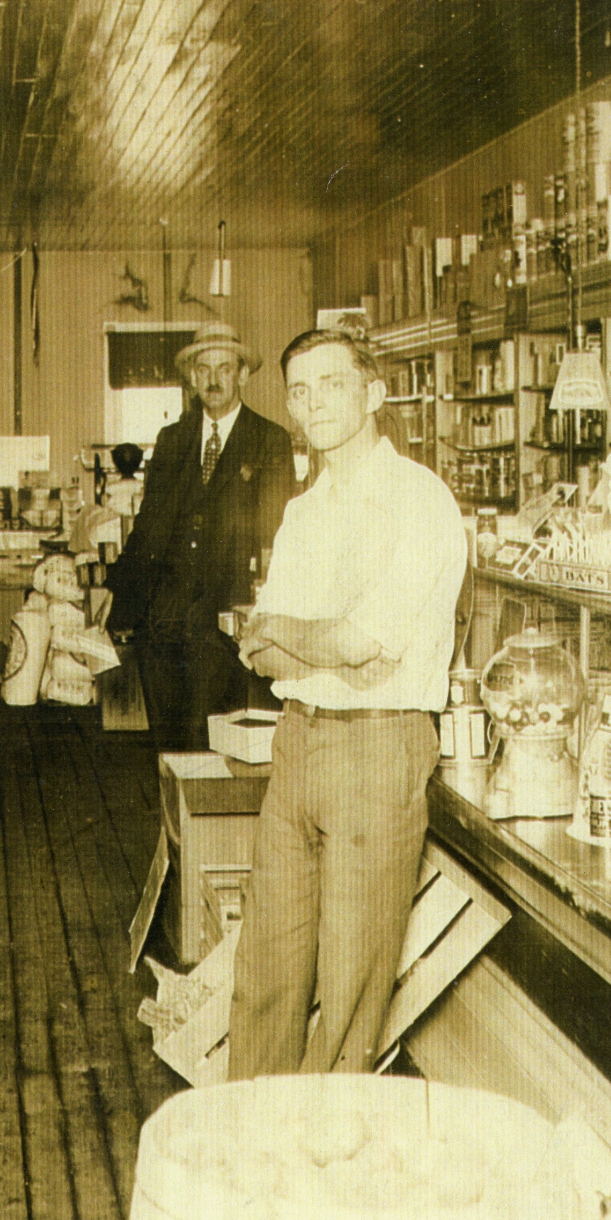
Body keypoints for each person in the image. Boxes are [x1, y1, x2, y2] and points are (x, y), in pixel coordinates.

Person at [226, 328, 468, 1077]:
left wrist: (300, 635)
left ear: (374, 393)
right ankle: (250, 1147)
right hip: (297, 739)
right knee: (266, 969)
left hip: (376, 745)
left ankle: (323, 1166)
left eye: (332, 383)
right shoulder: (305, 509)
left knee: (349, 990)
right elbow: (260, 653)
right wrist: (314, 640)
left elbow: (360, 643)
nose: (312, 402)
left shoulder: (419, 499)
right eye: (299, 390)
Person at [107, 321, 297, 750]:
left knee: (211, 743)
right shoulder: (172, 440)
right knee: (167, 742)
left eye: (224, 368)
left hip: (224, 625)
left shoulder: (269, 440)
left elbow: (276, 539)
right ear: (192, 377)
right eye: (204, 369)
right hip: (162, 623)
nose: (213, 379)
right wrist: (118, 594)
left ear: (242, 375)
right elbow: (149, 527)